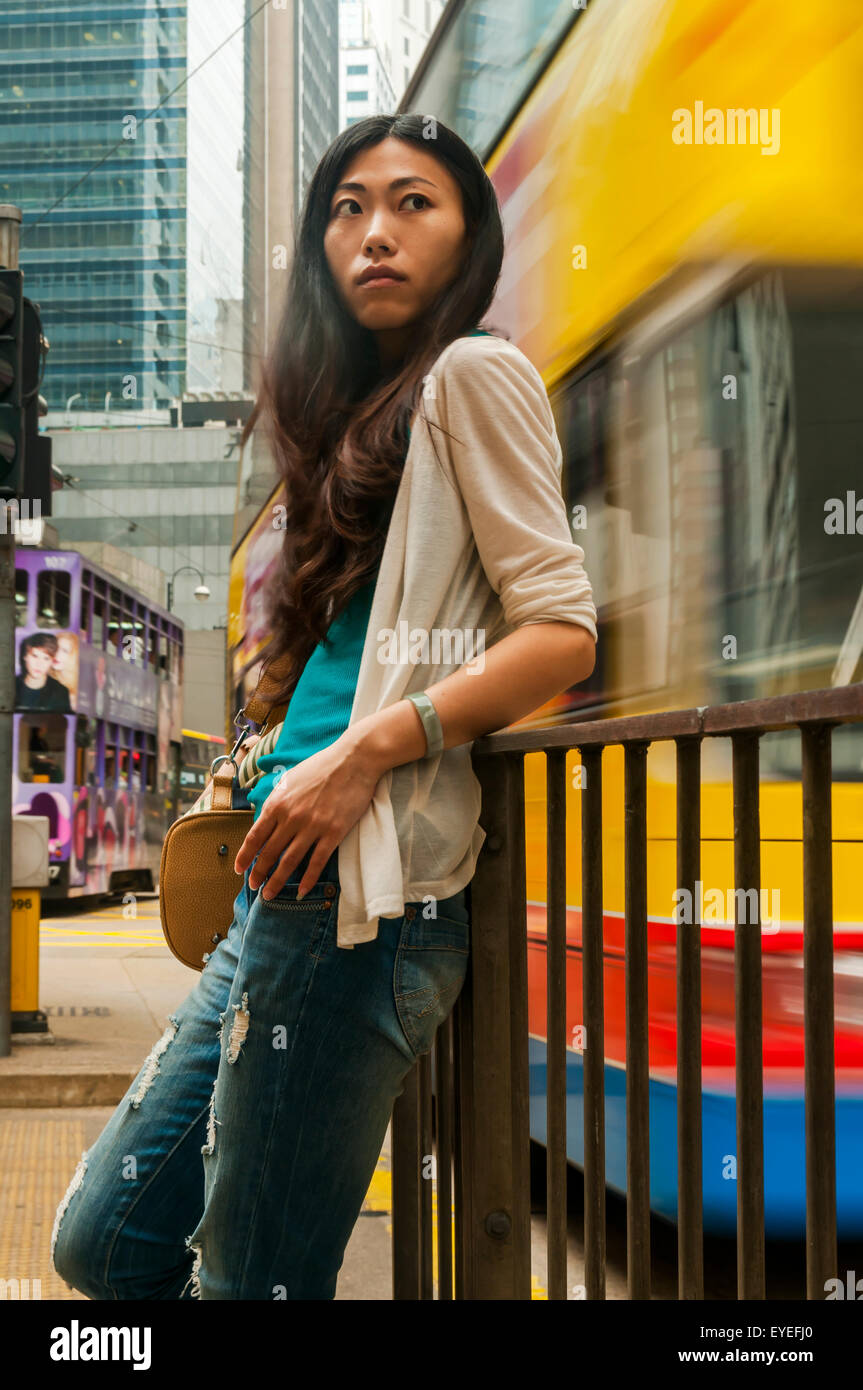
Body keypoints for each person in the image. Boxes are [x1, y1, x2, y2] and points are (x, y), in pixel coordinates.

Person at [51, 113, 598, 1301]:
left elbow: (560, 631)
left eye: (412, 203)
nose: (374, 232)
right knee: (102, 1240)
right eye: (346, 208)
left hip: (361, 916)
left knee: (248, 1281)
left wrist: (366, 753)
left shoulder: (475, 372)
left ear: (469, 233)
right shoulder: (364, 417)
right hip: (276, 897)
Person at [15, 632, 72, 712]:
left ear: (52, 661)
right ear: (25, 656)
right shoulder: (9, 687)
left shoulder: (61, 693)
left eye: (46, 658)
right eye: (35, 656)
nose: (39, 664)